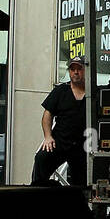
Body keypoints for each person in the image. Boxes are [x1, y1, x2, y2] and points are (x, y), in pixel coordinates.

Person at [32, 58, 88, 187]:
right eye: (72, 69)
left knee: (81, 183)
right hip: (60, 141)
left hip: (83, 145)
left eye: (79, 69)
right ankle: (35, 194)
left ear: (85, 71)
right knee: (41, 158)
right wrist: (47, 136)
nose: (76, 72)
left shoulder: (93, 93)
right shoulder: (61, 90)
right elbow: (47, 115)